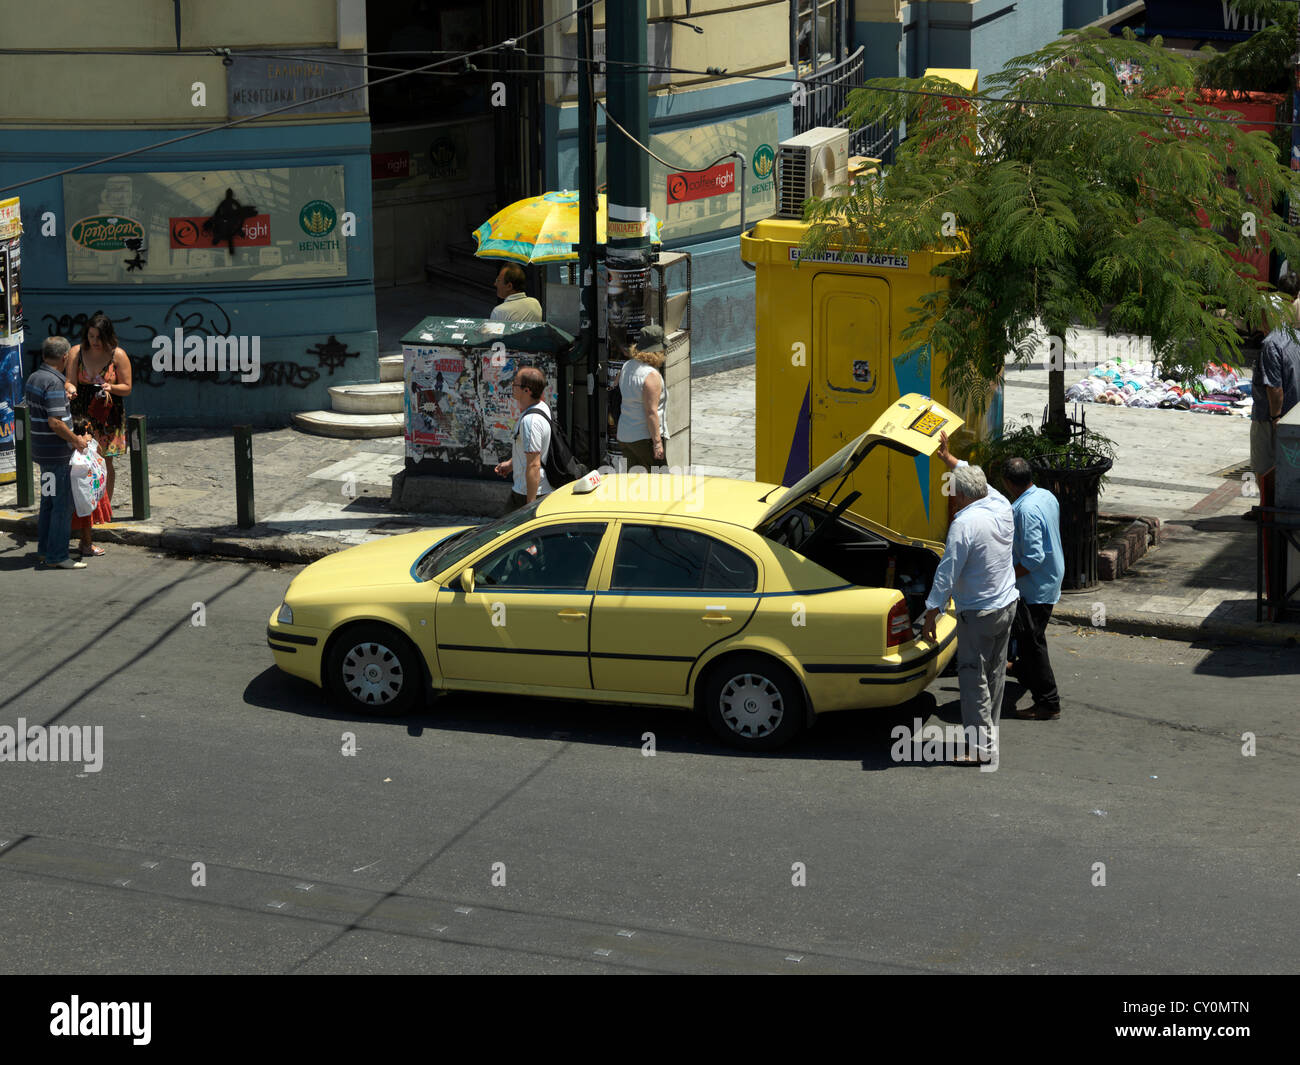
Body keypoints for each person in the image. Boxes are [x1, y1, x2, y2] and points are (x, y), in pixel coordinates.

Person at [922, 432, 1019, 765]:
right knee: (994, 674)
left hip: (978, 613)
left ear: (961, 495)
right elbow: (977, 479)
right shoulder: (1000, 504)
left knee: (972, 677)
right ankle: (988, 735)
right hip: (1006, 605)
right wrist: (949, 458)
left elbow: (947, 571)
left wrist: (931, 612)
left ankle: (981, 748)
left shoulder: (964, 524)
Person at [1001, 457, 1064, 720]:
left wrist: (1004, 577)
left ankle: (1048, 702)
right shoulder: (1046, 496)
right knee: (1030, 638)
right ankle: (1022, 670)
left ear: (1007, 483)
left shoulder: (1024, 511)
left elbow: (1033, 558)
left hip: (1035, 587)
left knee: (1031, 642)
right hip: (1050, 577)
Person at [26, 336, 91, 569]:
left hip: (44, 454)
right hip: (58, 455)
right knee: (62, 506)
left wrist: (66, 389)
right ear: (64, 357)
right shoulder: (53, 383)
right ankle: (57, 556)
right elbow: (55, 422)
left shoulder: (36, 377)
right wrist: (76, 441)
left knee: (48, 503)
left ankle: (44, 550)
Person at [65, 312, 131, 506]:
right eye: (91, 336)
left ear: (107, 336)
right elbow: (70, 381)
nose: (95, 341)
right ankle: (82, 505)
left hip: (107, 411)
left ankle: (104, 505)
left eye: (99, 337)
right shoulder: (77, 351)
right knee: (81, 457)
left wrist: (112, 387)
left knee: (104, 460)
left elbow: (127, 387)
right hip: (82, 410)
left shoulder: (117, 355)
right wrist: (70, 389)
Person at [493, 366, 552, 513]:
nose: (512, 387)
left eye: (515, 384)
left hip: (528, 492)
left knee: (506, 533)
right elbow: (534, 451)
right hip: (532, 490)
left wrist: (529, 507)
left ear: (527, 390)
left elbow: (534, 465)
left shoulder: (530, 421)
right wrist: (511, 464)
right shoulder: (542, 407)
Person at [617, 324, 669, 471]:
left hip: (626, 435)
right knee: (662, 484)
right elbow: (651, 412)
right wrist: (657, 443)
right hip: (644, 438)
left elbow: (615, 388)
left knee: (636, 485)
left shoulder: (627, 366)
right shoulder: (651, 375)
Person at [70, 415, 112, 558]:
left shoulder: (90, 445)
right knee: (86, 518)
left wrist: (94, 440)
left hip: (91, 487)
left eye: (90, 433)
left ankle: (84, 542)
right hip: (83, 491)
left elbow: (100, 452)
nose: (89, 436)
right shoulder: (74, 452)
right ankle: (87, 544)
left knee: (88, 517)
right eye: (86, 433)